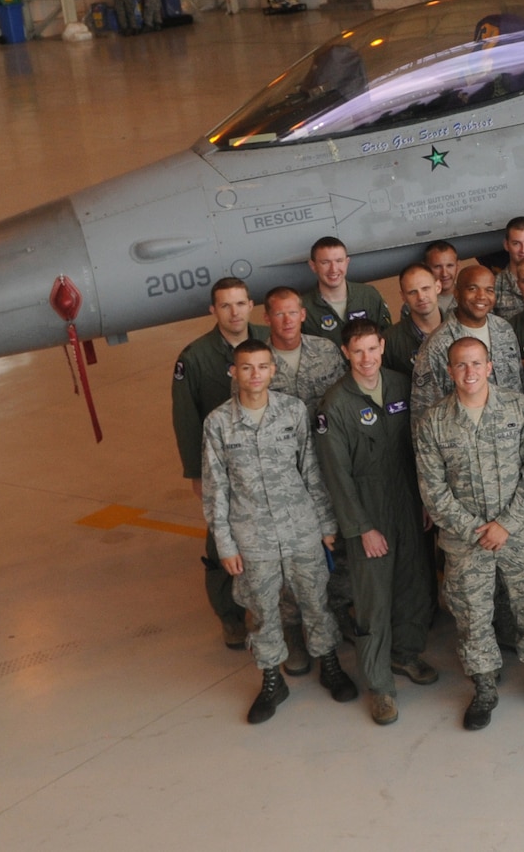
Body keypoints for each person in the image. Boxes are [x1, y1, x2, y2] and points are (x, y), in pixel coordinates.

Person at [414, 337, 524, 730]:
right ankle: (484, 687)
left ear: (489, 367)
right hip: (465, 542)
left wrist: (506, 525)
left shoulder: (518, 408)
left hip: (519, 534)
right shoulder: (433, 421)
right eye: (460, 365)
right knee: (472, 616)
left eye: (476, 363)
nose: (469, 372)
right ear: (450, 371)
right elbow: (433, 489)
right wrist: (475, 530)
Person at [202, 338, 357, 723]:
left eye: (262, 366)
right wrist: (225, 544)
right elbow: (215, 489)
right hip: (252, 536)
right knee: (262, 611)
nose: (255, 375)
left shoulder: (292, 411)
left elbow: (311, 470)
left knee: (316, 600)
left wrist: (325, 524)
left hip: (300, 527)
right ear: (234, 372)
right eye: (246, 367)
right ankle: (272, 679)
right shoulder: (218, 423)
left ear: (273, 370)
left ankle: (329, 663)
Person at [313, 320, 437, 726]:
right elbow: (336, 475)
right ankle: (380, 685)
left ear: (382, 346)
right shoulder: (335, 405)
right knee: (373, 600)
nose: (366, 358)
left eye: (372, 348)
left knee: (413, 585)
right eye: (358, 351)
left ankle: (405, 654)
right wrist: (362, 528)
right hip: (367, 510)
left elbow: (419, 447)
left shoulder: (401, 386)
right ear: (345, 353)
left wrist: (424, 500)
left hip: (407, 501)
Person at [173, 279, 267, 650]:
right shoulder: (194, 357)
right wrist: (196, 473)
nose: (234, 312)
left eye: (240, 303)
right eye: (225, 306)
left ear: (251, 305)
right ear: (213, 310)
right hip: (223, 469)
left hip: (268, 461)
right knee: (221, 542)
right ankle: (230, 616)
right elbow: (186, 418)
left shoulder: (268, 340)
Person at [410, 265, 523, 418]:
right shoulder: (436, 345)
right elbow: (424, 412)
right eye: (472, 289)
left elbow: (520, 386)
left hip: (513, 427)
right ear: (457, 293)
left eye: (489, 290)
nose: (482, 296)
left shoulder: (504, 329)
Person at [302, 236, 393, 344]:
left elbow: (386, 339)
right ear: (313, 266)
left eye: (339, 261)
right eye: (325, 262)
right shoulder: (303, 307)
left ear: (347, 262)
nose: (333, 269)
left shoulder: (368, 295)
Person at [265, 286, 347, 406]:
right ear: (267, 318)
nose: (287, 321)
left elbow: (345, 393)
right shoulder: (257, 362)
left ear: (303, 315)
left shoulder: (326, 350)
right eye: (279, 314)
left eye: (293, 313)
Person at [384, 264, 442, 376]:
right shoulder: (390, 341)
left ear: (438, 287)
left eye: (426, 288)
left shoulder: (459, 327)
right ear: (403, 296)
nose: (421, 297)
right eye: (412, 292)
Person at [423, 241, 461, 316]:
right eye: (437, 267)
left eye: (449, 266)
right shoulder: (417, 303)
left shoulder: (470, 298)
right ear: (426, 269)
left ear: (457, 266)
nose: (444, 274)